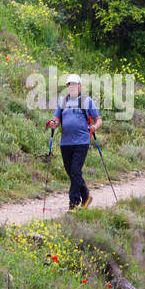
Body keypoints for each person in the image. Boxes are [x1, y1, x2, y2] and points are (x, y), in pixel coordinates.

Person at [47, 74, 102, 210]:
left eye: (74, 84)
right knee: (71, 172)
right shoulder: (63, 101)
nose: (71, 87)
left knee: (75, 171)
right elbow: (57, 119)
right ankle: (86, 195)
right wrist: (53, 124)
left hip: (81, 142)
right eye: (69, 85)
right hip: (65, 143)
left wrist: (94, 127)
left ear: (79, 86)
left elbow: (98, 120)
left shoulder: (87, 101)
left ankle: (74, 204)